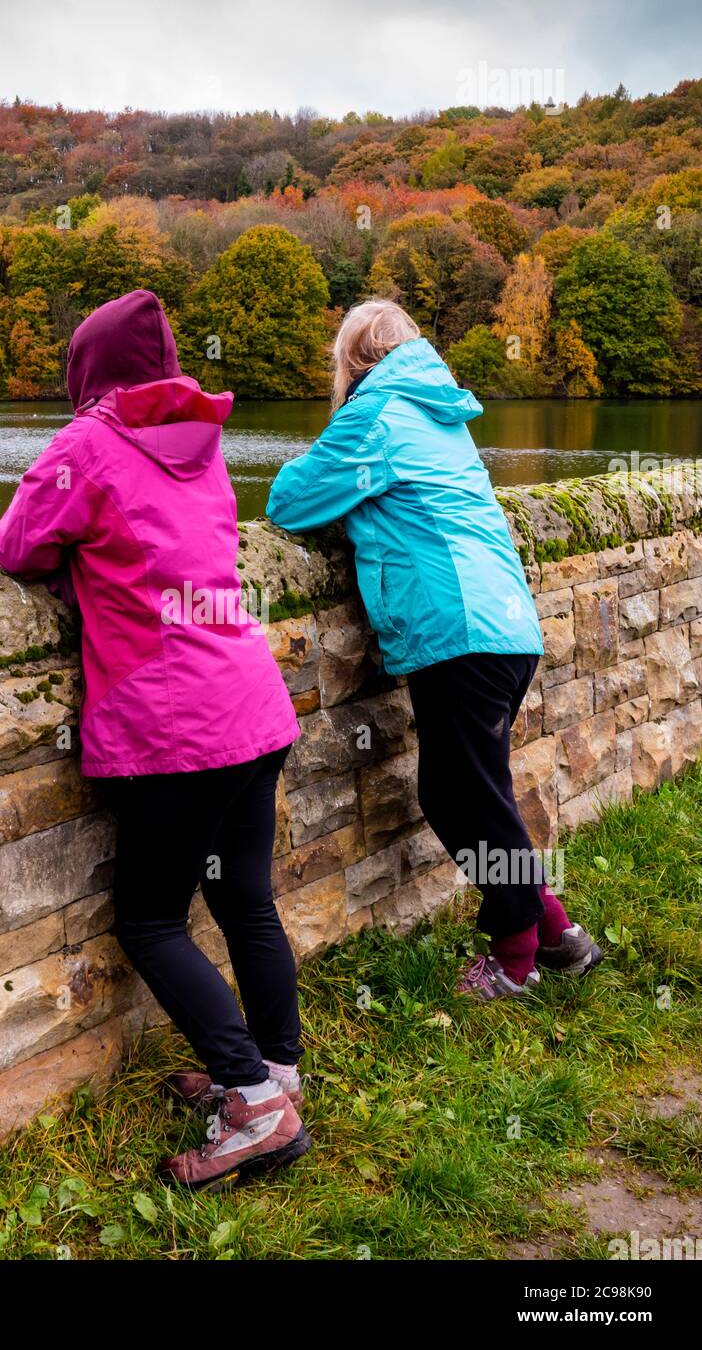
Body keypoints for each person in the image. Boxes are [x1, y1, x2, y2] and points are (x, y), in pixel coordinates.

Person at [0, 289, 309, 1186]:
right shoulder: (202, 442)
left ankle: (251, 1106)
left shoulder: (88, 444)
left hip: (180, 725)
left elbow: (16, 546)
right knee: (246, 898)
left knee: (149, 919)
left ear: (88, 375)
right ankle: (278, 1072)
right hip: (252, 702)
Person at [266, 298, 603, 1001]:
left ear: (354, 362)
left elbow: (290, 500)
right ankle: (559, 934)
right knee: (483, 795)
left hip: (458, 632)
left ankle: (514, 959)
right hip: (505, 626)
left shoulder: (376, 415)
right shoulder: (438, 411)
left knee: (456, 796)